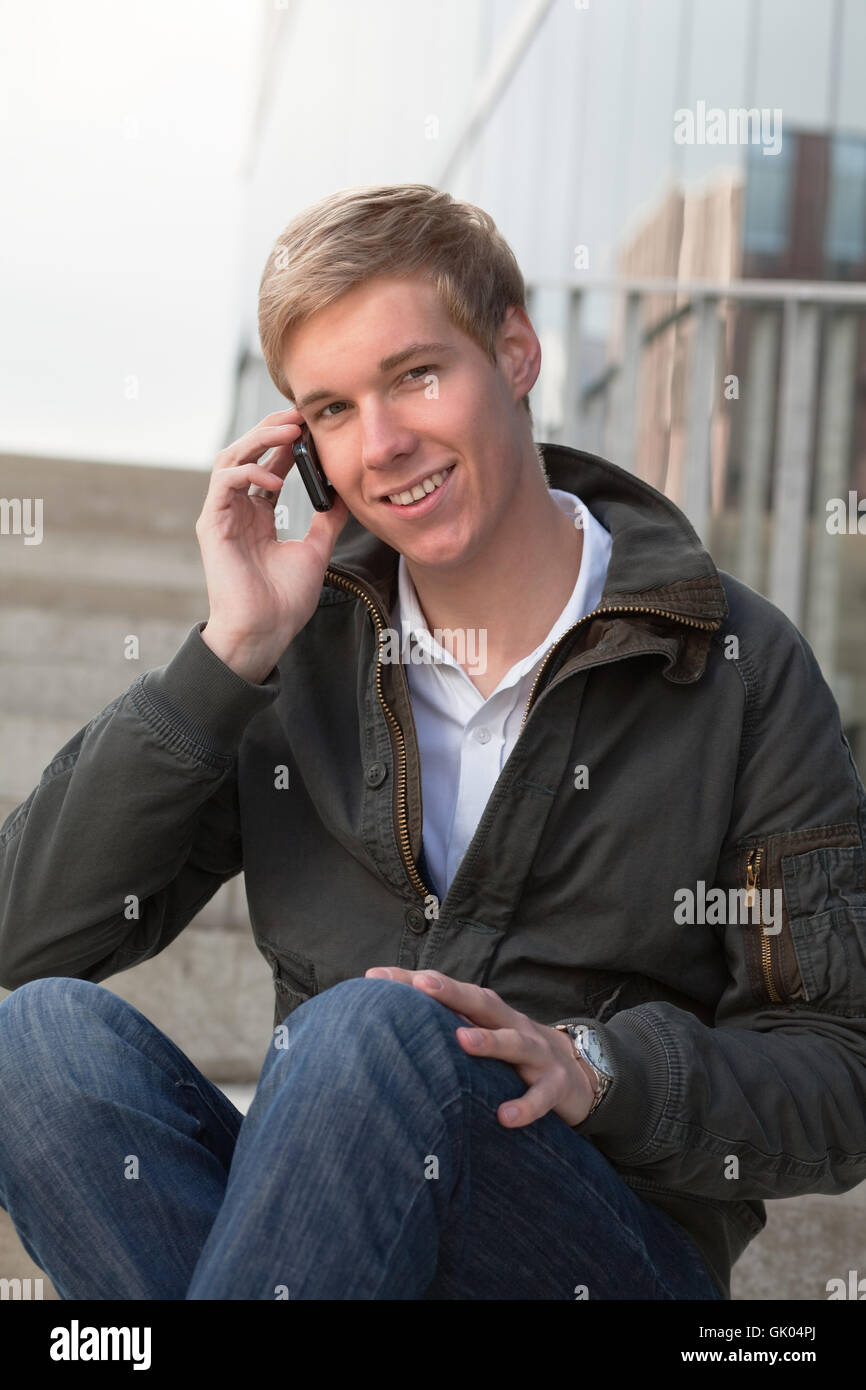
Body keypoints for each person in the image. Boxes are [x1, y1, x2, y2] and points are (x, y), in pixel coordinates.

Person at [1, 183, 865, 1303]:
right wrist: (226, 659)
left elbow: (837, 1067)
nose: (385, 443)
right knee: (37, 1044)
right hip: (325, 1224)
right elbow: (21, 938)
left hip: (592, 1254)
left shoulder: (736, 663)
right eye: (333, 410)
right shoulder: (295, 653)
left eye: (413, 375)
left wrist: (597, 1069)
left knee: (373, 1027)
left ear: (514, 351)